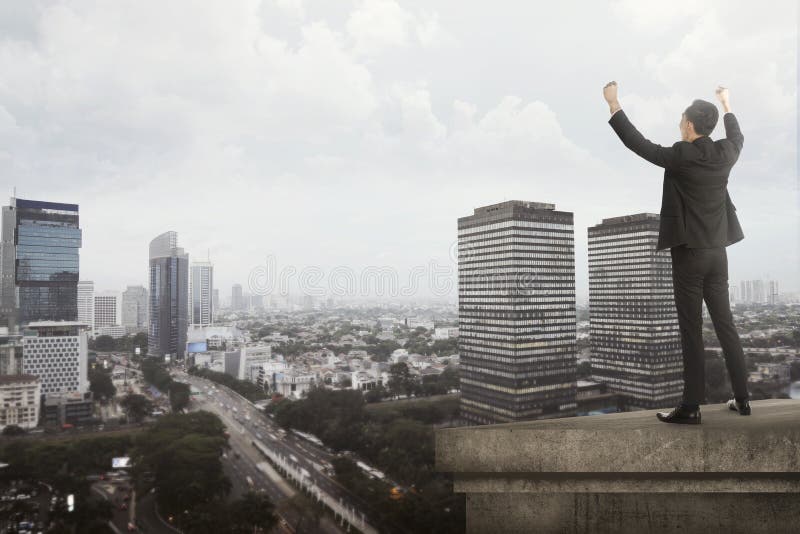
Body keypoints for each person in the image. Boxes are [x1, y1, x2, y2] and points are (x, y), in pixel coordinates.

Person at [602, 80, 751, 424]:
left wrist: (614, 105)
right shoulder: (726, 152)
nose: (678, 124)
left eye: (681, 119)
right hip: (718, 253)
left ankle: (691, 406)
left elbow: (639, 145)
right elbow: (738, 136)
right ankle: (743, 399)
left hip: (690, 255)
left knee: (691, 328)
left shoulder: (682, 155)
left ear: (688, 125)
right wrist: (727, 104)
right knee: (726, 325)